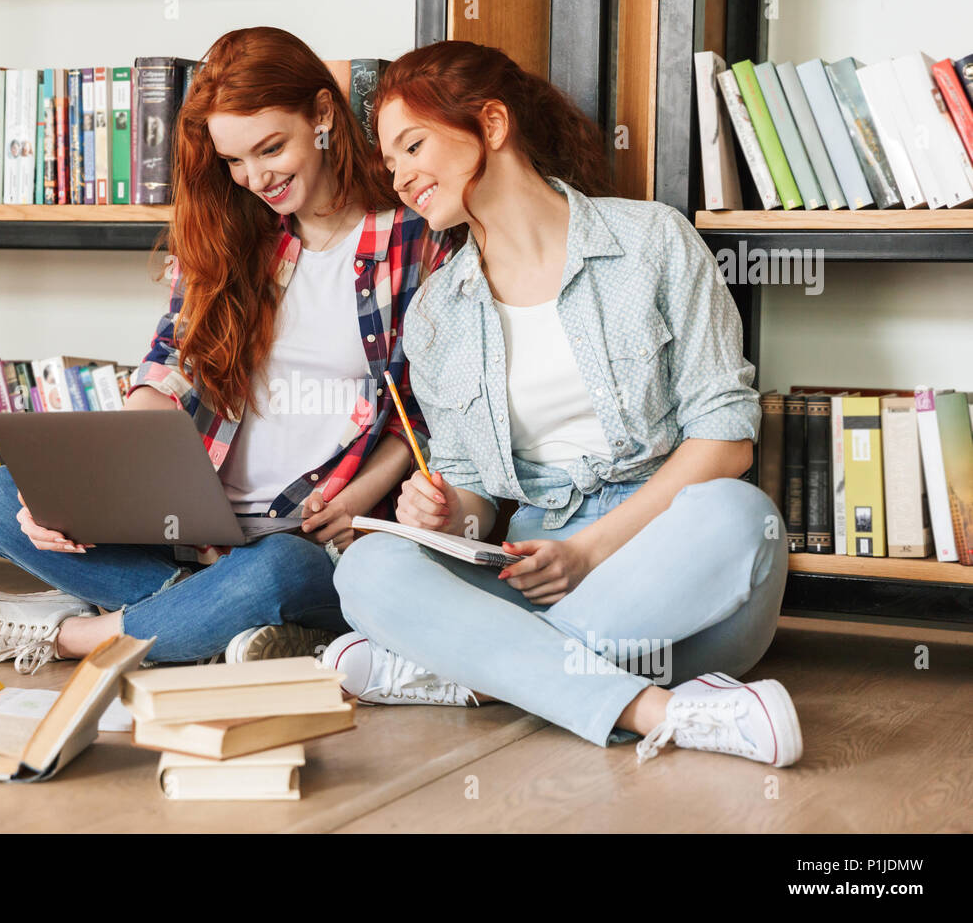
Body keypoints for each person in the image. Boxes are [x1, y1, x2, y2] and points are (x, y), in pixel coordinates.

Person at [0, 28, 458, 673]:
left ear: (320, 116)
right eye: (234, 161)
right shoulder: (232, 235)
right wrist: (104, 488)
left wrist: (358, 496)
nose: (256, 178)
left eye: (271, 148)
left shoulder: (415, 238)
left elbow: (425, 409)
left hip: (310, 535)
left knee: (280, 572)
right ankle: (214, 621)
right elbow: (169, 366)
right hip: (192, 531)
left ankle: (68, 634)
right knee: (1, 500)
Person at [326, 40, 802, 768]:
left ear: (490, 124)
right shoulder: (437, 312)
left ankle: (474, 674)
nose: (401, 178)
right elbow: (477, 495)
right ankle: (661, 709)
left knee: (746, 519)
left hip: (663, 571)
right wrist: (452, 512)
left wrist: (589, 551)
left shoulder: (651, 242)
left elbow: (726, 439)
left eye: (412, 146)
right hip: (526, 569)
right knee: (366, 567)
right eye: (391, 163)